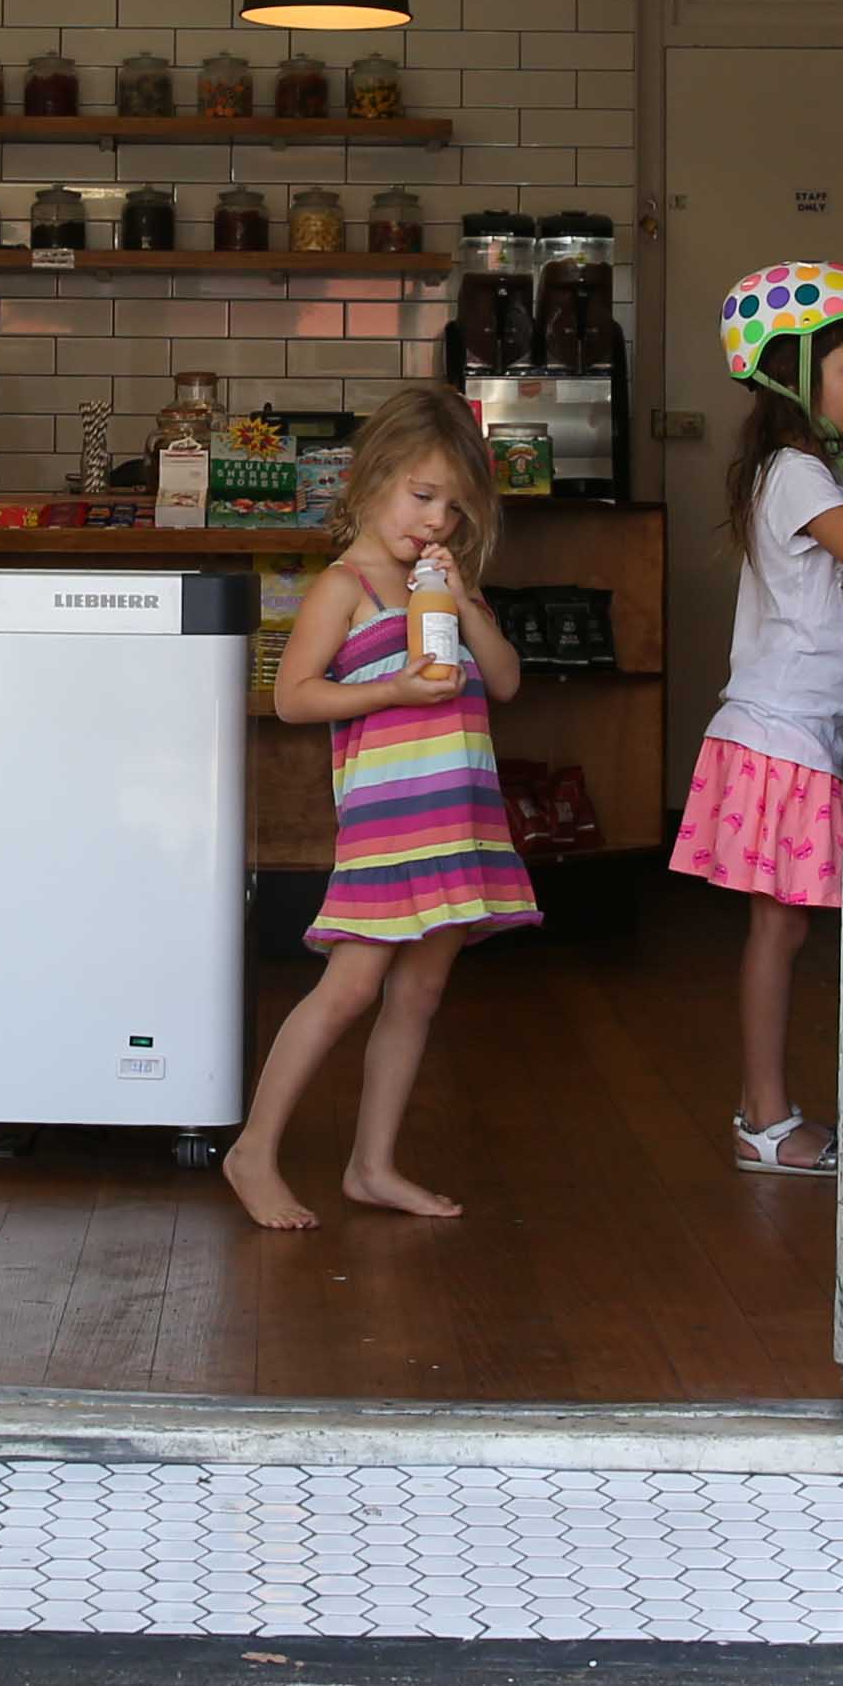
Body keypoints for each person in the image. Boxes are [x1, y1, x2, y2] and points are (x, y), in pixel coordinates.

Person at [222, 387, 531, 1232]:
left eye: (454, 509)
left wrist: (465, 603)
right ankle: (252, 1148)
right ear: (369, 483)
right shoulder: (344, 585)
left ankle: (372, 1163)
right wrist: (393, 686)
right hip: (387, 830)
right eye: (420, 496)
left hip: (457, 823)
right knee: (350, 985)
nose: (435, 521)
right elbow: (291, 697)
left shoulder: (449, 589)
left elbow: (502, 680)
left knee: (418, 995)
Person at [673, 260, 843, 1174]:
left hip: (792, 728)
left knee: (781, 930)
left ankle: (764, 1110)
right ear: (796, 380)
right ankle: (765, 1119)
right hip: (780, 730)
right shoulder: (795, 473)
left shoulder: (805, 467)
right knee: (778, 931)